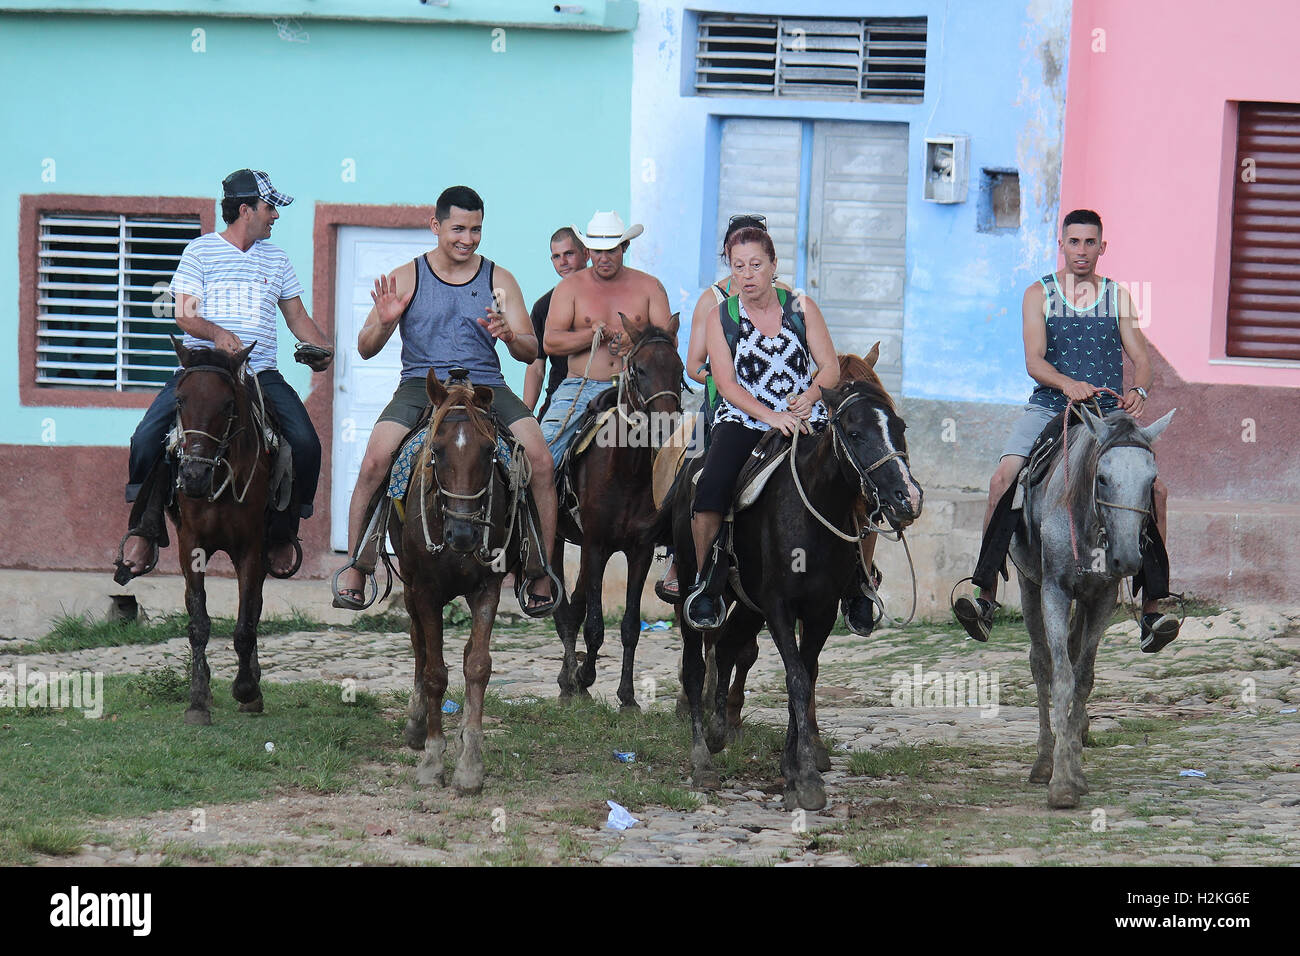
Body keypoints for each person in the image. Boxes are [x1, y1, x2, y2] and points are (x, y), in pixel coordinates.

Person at [952, 208, 1179, 652]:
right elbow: (1034, 361)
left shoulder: (1118, 296)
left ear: (1102, 247)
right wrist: (1066, 383)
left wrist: (1139, 390)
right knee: (1002, 479)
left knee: (1157, 490)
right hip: (1050, 407)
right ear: (1062, 244)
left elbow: (1142, 358)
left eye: (1090, 242)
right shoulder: (1038, 293)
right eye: (1074, 242)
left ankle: (1153, 606)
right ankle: (985, 595)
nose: (1081, 250)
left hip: (1105, 415)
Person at [332, 185, 557, 613]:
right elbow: (365, 347)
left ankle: (539, 570)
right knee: (375, 461)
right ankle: (358, 566)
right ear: (435, 225)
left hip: (485, 388)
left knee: (541, 462)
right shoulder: (407, 276)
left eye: (475, 230)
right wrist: (384, 323)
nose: (467, 239)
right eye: (458, 229)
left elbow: (530, 350)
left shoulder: (499, 279)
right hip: (422, 386)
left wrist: (510, 335)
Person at [116, 169, 332, 582]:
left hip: (260, 373)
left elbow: (297, 317)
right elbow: (184, 315)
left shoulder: (277, 259)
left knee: (306, 444)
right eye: (270, 208)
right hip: (203, 372)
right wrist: (217, 335)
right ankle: (144, 528)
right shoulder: (200, 252)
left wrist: (322, 348)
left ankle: (283, 532)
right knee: (146, 438)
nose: (275, 216)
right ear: (246, 210)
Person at [683, 226, 840, 631]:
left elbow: (831, 368)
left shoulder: (801, 306)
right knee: (710, 488)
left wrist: (810, 396)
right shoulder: (722, 317)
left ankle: (859, 580)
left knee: (854, 474)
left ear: (773, 265)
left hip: (805, 417)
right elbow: (726, 384)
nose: (747, 274)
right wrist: (771, 417)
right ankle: (707, 583)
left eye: (756, 265)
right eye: (739, 267)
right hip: (745, 418)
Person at [541, 210, 673, 463]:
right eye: (597, 251)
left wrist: (637, 341)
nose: (603, 258)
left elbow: (669, 341)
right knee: (543, 453)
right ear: (587, 251)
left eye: (611, 251)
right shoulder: (569, 288)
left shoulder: (650, 286)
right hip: (581, 387)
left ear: (625, 247)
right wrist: (593, 336)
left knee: (675, 452)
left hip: (640, 389)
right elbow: (551, 342)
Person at [524, 227, 588, 416]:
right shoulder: (543, 306)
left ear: (586, 254)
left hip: (606, 394)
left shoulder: (608, 296)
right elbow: (536, 368)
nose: (563, 262)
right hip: (559, 398)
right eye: (556, 256)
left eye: (569, 254)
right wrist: (526, 415)